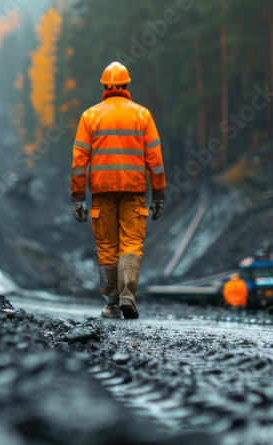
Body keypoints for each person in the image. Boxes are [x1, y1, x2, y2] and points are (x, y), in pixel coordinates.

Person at [71, 62, 166, 320]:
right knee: (131, 243)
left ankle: (111, 303)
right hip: (134, 190)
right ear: (126, 85)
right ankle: (128, 295)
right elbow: (154, 159)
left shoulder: (89, 116)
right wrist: (158, 194)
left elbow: (79, 162)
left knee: (106, 247)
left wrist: (78, 197)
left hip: (101, 193)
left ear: (104, 86)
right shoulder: (142, 115)